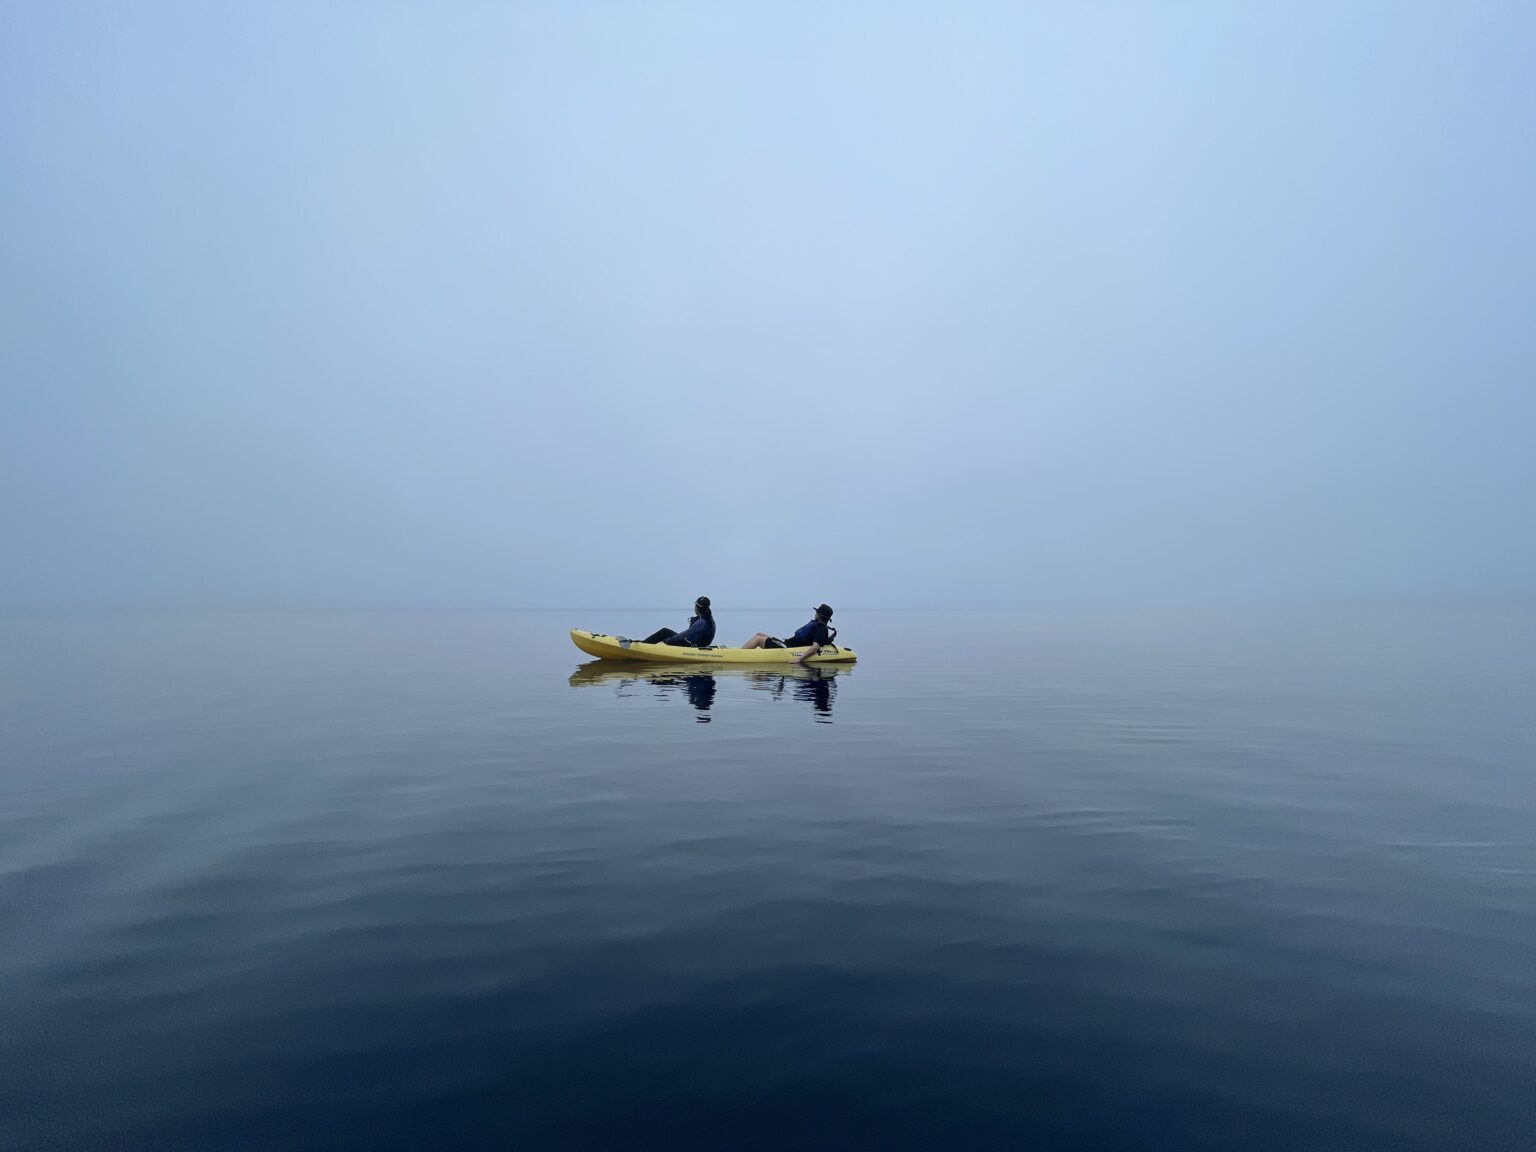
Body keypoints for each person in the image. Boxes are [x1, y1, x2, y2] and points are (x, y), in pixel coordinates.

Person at [740, 603, 835, 665]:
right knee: (759, 633)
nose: (815, 614)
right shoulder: (818, 626)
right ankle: (740, 650)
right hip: (786, 644)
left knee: (758, 639)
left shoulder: (821, 629)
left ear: (818, 615)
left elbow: (815, 647)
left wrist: (799, 659)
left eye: (816, 612)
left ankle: (737, 653)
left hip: (787, 648)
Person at [641, 597, 716, 647]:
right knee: (666, 633)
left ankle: (643, 646)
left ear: (697, 608)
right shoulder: (709, 619)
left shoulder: (701, 622)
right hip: (696, 645)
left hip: (694, 647)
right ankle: (646, 644)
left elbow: (685, 634)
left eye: (695, 606)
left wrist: (671, 639)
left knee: (664, 632)